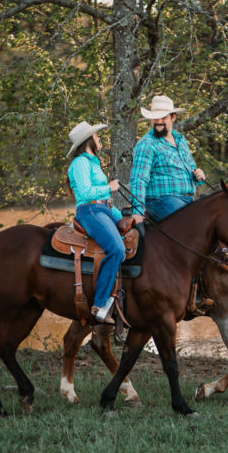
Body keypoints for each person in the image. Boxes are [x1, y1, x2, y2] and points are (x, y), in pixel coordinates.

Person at [66, 121, 125, 323]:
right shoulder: (80, 163)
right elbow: (84, 193)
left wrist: (122, 216)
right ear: (88, 140)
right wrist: (109, 187)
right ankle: (100, 304)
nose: (99, 138)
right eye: (96, 135)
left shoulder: (94, 162)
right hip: (89, 210)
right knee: (117, 248)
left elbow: (104, 200)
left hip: (103, 209)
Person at [130, 95, 206, 222]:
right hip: (161, 201)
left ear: (173, 117)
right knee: (190, 223)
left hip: (187, 199)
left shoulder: (180, 140)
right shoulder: (147, 144)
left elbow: (192, 168)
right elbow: (139, 179)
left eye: (163, 117)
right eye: (155, 118)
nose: (158, 121)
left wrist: (199, 175)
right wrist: (137, 211)